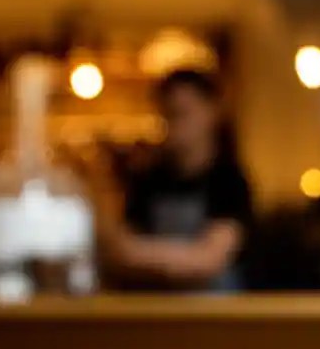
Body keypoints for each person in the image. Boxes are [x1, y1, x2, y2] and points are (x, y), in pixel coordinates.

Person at [100, 69, 253, 290]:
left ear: (213, 112)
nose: (176, 125)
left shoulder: (229, 182)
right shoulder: (147, 181)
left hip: (217, 316)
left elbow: (210, 259)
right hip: (157, 315)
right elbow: (119, 250)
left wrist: (140, 253)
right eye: (169, 115)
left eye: (185, 113)